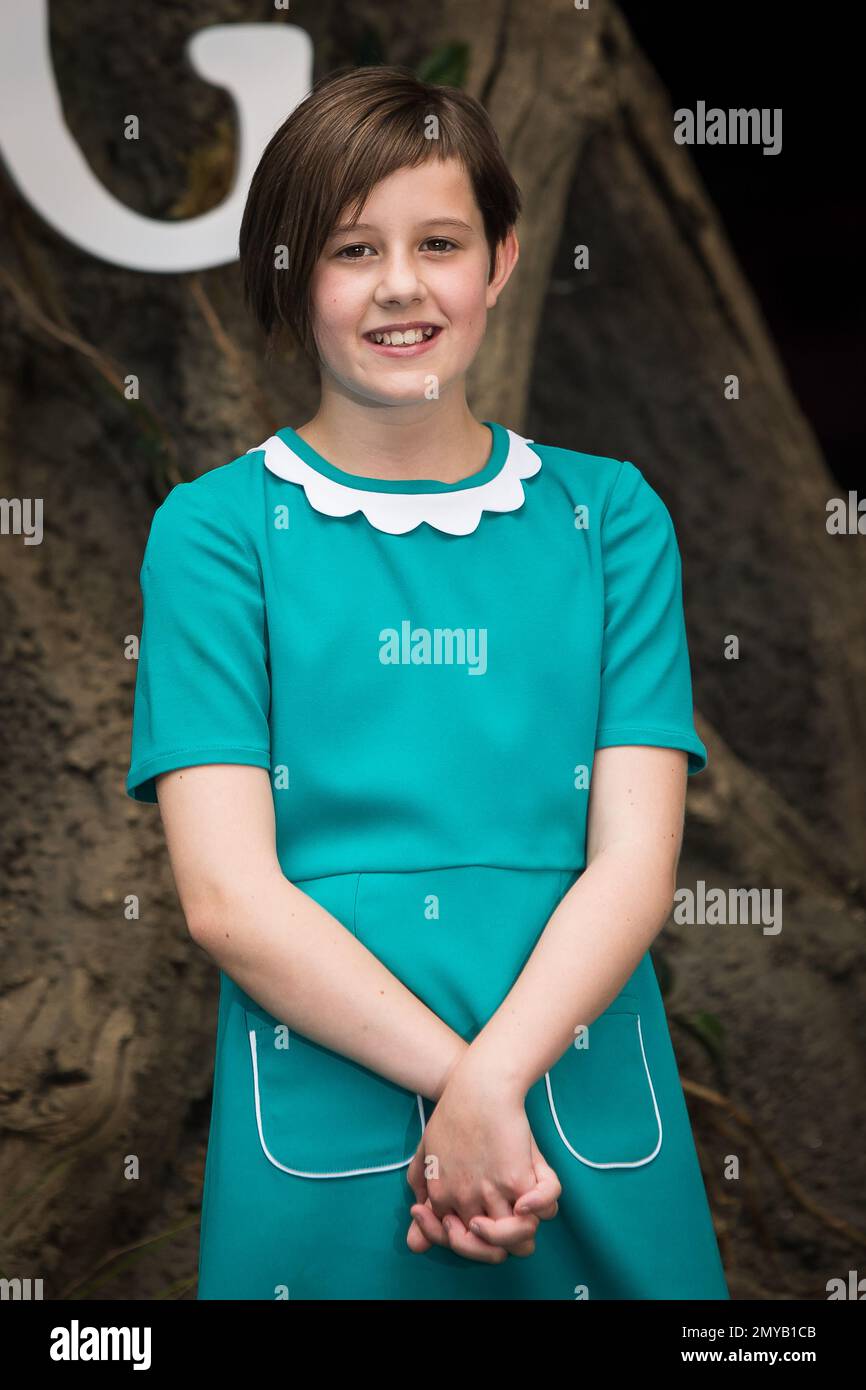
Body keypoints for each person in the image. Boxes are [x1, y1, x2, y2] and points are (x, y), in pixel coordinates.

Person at [125, 63, 730, 1300]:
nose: (400, 284)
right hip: (331, 1105)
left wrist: (491, 1085)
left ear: (501, 259)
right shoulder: (216, 531)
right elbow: (227, 898)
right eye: (351, 249)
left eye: (438, 241)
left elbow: (632, 860)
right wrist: (462, 1090)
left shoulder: (607, 517)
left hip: (579, 1090)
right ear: (294, 277)